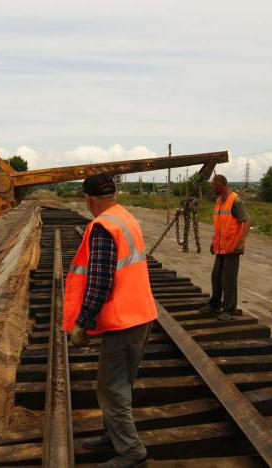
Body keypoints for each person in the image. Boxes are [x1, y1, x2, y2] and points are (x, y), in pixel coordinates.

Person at [63, 173, 155, 468]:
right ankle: (113, 435)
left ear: (89, 199)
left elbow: (99, 281)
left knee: (111, 388)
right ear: (113, 194)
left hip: (123, 320)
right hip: (140, 313)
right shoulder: (125, 217)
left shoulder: (103, 227)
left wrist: (83, 322)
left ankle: (131, 451)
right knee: (121, 382)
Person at [207, 174, 252, 321]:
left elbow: (246, 221)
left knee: (229, 280)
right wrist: (214, 243)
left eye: (214, 185)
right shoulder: (219, 201)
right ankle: (214, 305)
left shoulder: (235, 201)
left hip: (232, 248)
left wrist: (241, 242)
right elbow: (220, 225)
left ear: (221, 184)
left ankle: (230, 310)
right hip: (221, 247)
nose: (213, 188)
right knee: (216, 277)